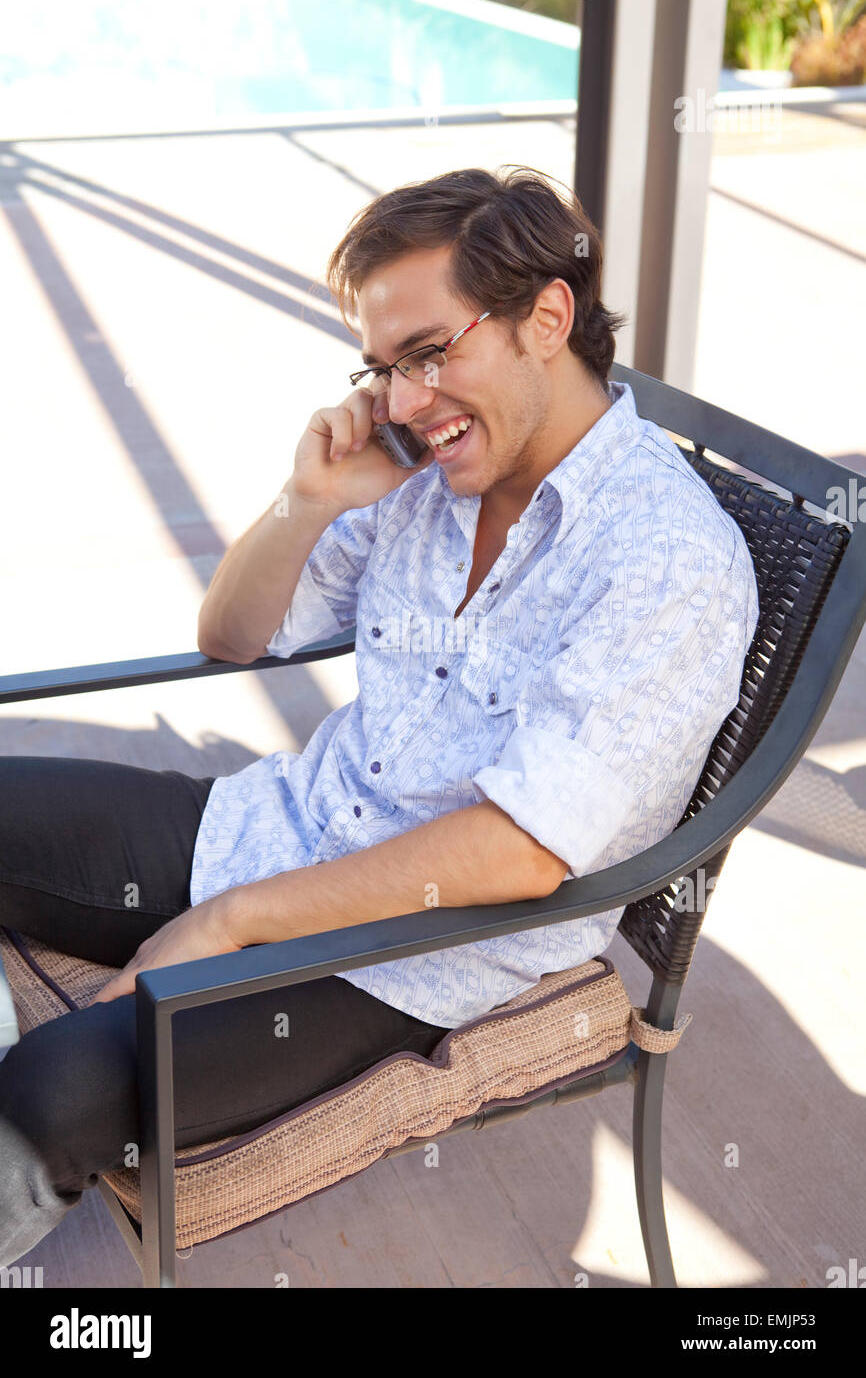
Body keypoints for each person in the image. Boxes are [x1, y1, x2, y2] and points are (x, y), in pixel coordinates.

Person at [0, 165, 759, 1269]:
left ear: (547, 316)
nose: (401, 401)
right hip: (273, 823)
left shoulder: (666, 560)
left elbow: (518, 848)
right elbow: (232, 635)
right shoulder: (425, 473)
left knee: (51, 1092)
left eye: (430, 352)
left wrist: (234, 921)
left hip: (403, 952)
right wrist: (304, 501)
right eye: (382, 366)